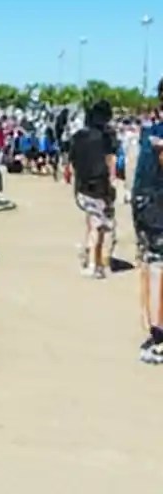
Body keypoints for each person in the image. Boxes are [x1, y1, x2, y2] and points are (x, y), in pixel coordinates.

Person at [132, 81, 163, 363]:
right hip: (155, 210)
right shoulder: (156, 137)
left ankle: (153, 329)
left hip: (146, 208)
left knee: (151, 266)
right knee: (157, 269)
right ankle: (159, 338)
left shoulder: (150, 133)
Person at [70, 100, 118, 279]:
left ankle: (93, 259)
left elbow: (72, 161)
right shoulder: (107, 136)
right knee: (100, 226)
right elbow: (110, 160)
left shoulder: (78, 136)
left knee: (92, 222)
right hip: (100, 185)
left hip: (82, 185)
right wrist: (113, 183)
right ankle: (95, 264)